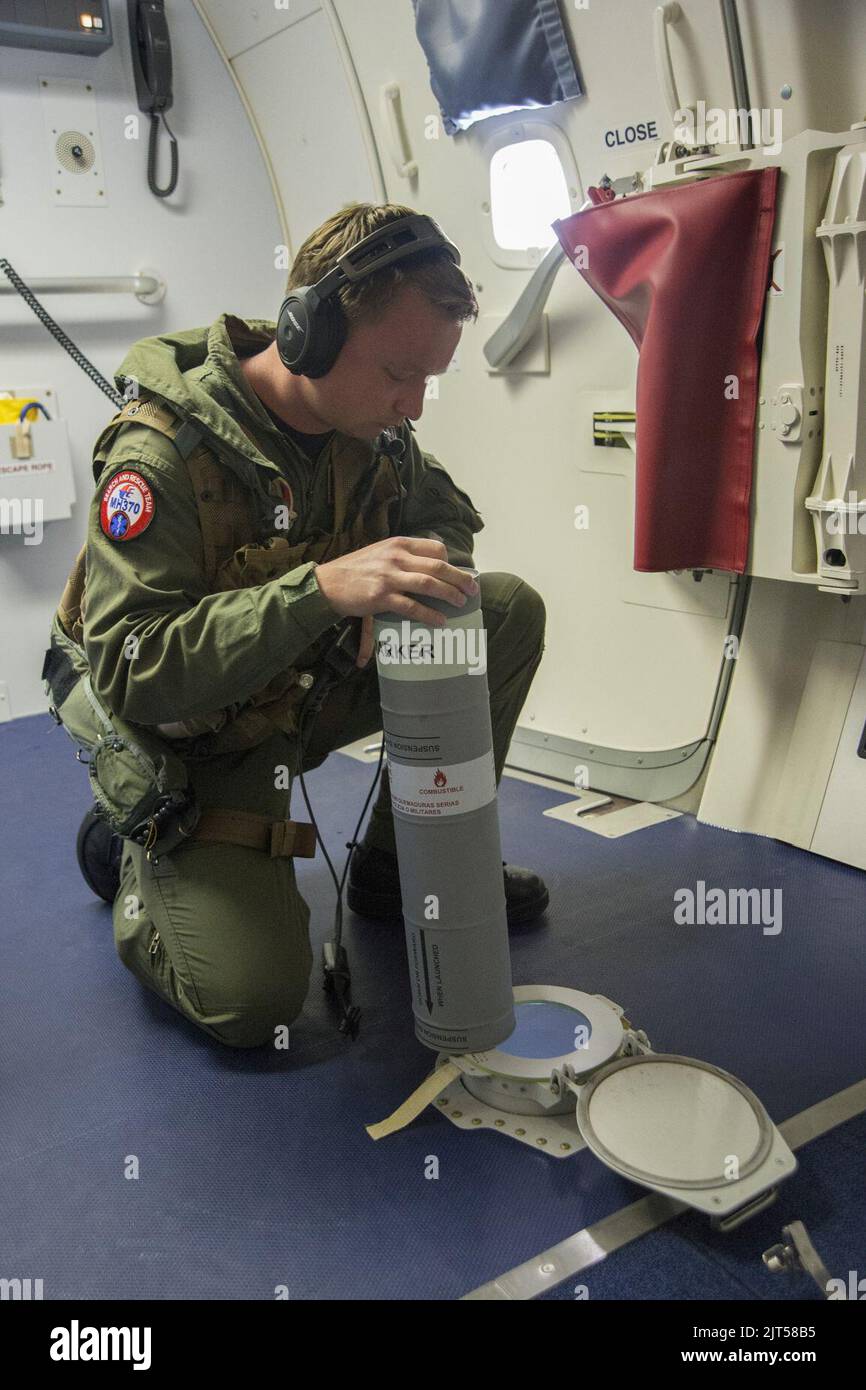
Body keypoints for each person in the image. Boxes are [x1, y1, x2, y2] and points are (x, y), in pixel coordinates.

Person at [71, 201, 549, 1048]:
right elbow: (133, 668)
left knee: (499, 610)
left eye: (429, 380)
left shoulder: (374, 430)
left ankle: (397, 871)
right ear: (311, 333)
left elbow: (447, 526)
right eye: (402, 374)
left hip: (306, 690)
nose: (416, 406)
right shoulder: (158, 458)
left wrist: (410, 571)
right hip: (204, 740)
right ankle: (132, 861)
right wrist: (320, 592)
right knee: (252, 1003)